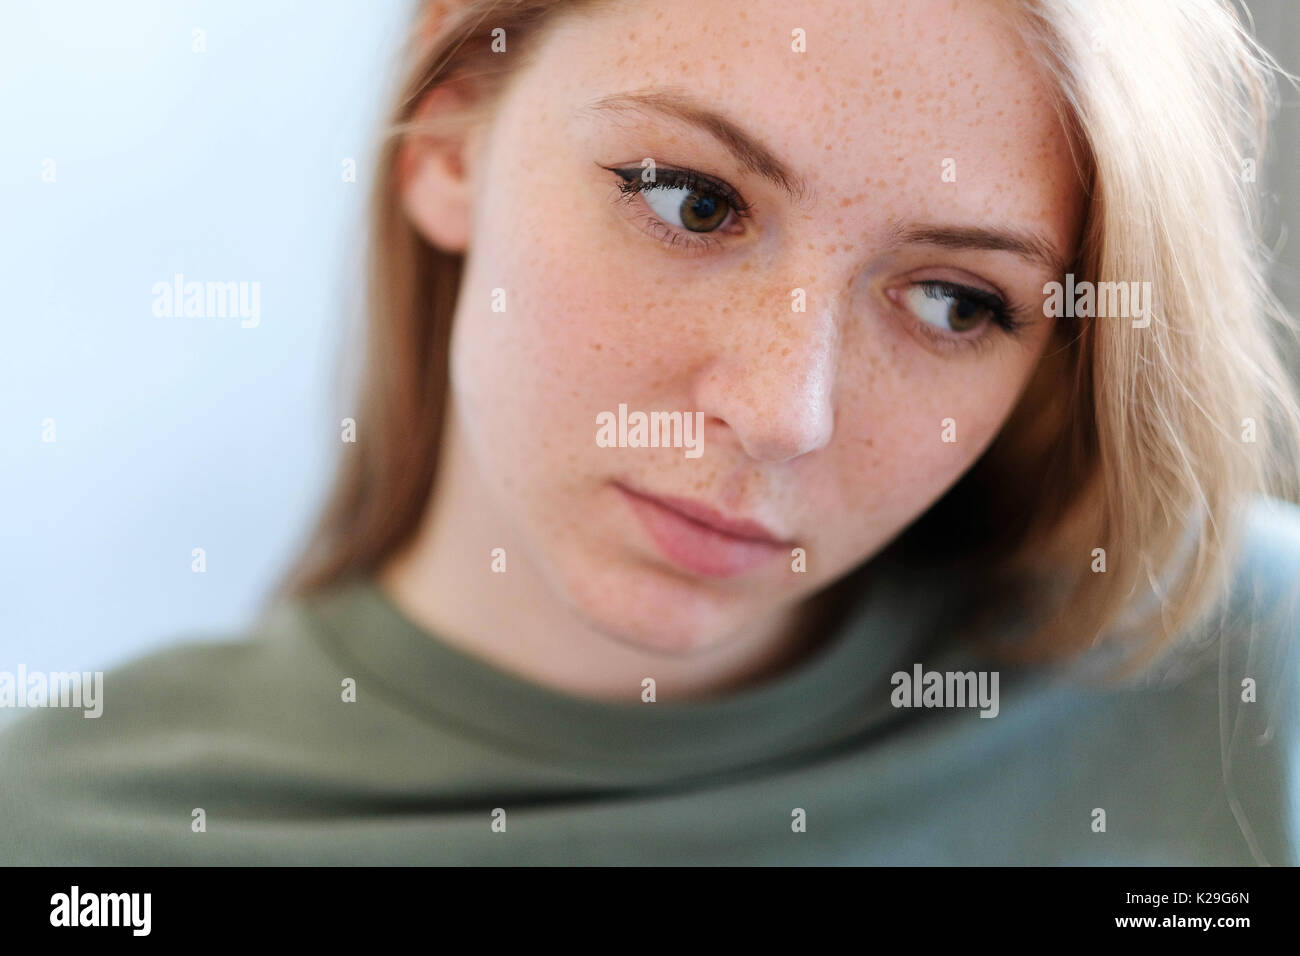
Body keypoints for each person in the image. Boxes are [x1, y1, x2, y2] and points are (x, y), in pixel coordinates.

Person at [4, 0, 1300, 865]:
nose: (782, 413)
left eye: (958, 301)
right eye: (692, 202)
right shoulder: (69, 831)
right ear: (451, 133)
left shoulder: (1248, 684)